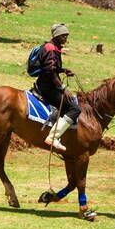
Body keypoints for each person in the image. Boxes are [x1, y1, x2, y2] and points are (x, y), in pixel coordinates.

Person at [34, 22, 79, 152]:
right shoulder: (51, 49)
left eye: (66, 35)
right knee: (74, 108)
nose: (65, 38)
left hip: (46, 84)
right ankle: (53, 137)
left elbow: (51, 68)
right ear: (56, 35)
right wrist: (63, 88)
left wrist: (63, 70)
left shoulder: (51, 47)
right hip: (47, 87)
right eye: (63, 35)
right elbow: (50, 72)